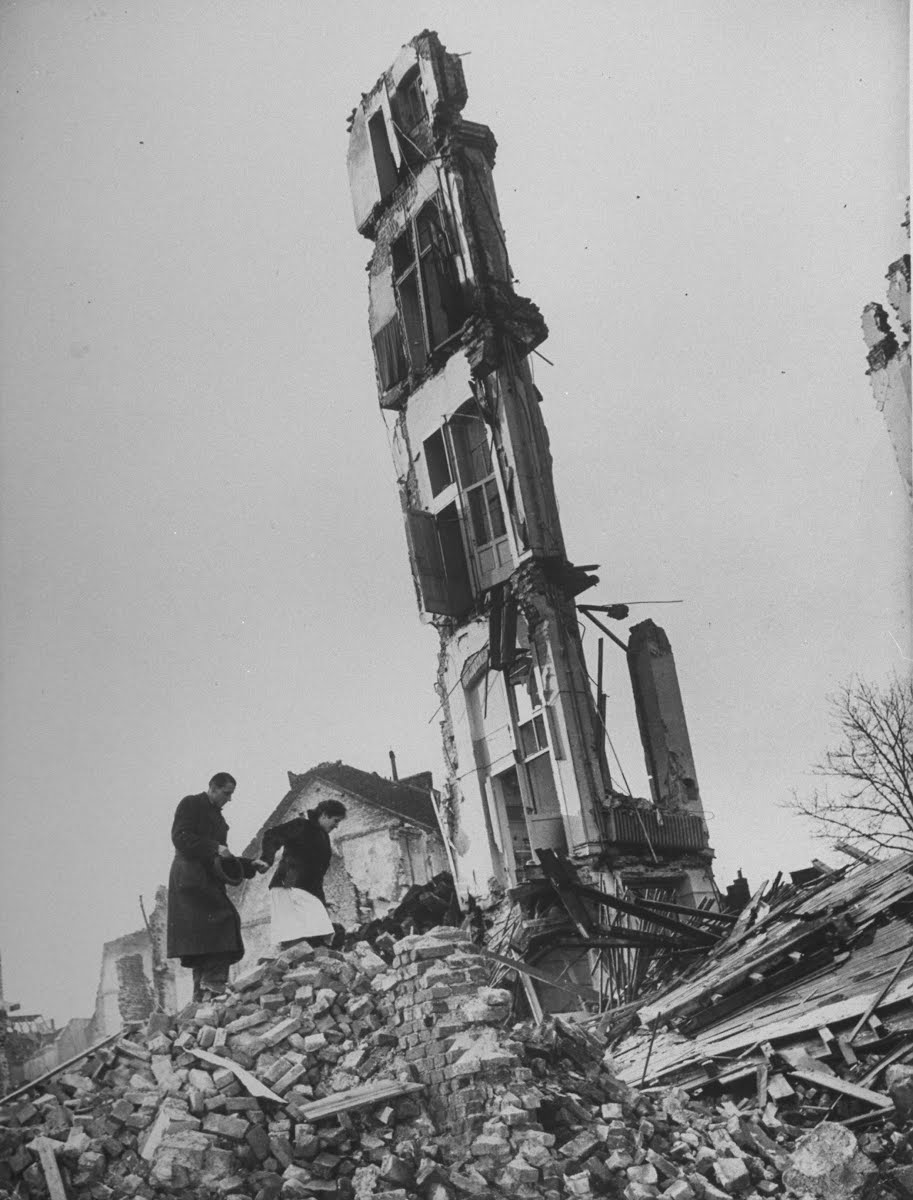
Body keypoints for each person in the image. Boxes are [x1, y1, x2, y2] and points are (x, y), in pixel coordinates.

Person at [166, 772, 267, 1000]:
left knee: (205, 939)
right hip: (190, 878)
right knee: (224, 921)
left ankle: (201, 997)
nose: (229, 799)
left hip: (207, 878)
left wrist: (250, 865)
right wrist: (214, 847)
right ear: (212, 787)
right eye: (226, 793)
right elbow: (180, 837)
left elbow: (222, 858)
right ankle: (213, 985)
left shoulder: (219, 820)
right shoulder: (191, 804)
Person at [259, 799, 347, 948]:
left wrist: (321, 901)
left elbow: (315, 876)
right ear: (324, 815)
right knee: (302, 934)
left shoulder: (323, 836)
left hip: (303, 889)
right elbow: (272, 835)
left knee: (318, 932)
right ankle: (294, 963)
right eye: (335, 820)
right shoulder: (301, 825)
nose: (336, 825)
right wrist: (266, 860)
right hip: (288, 884)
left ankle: (310, 963)